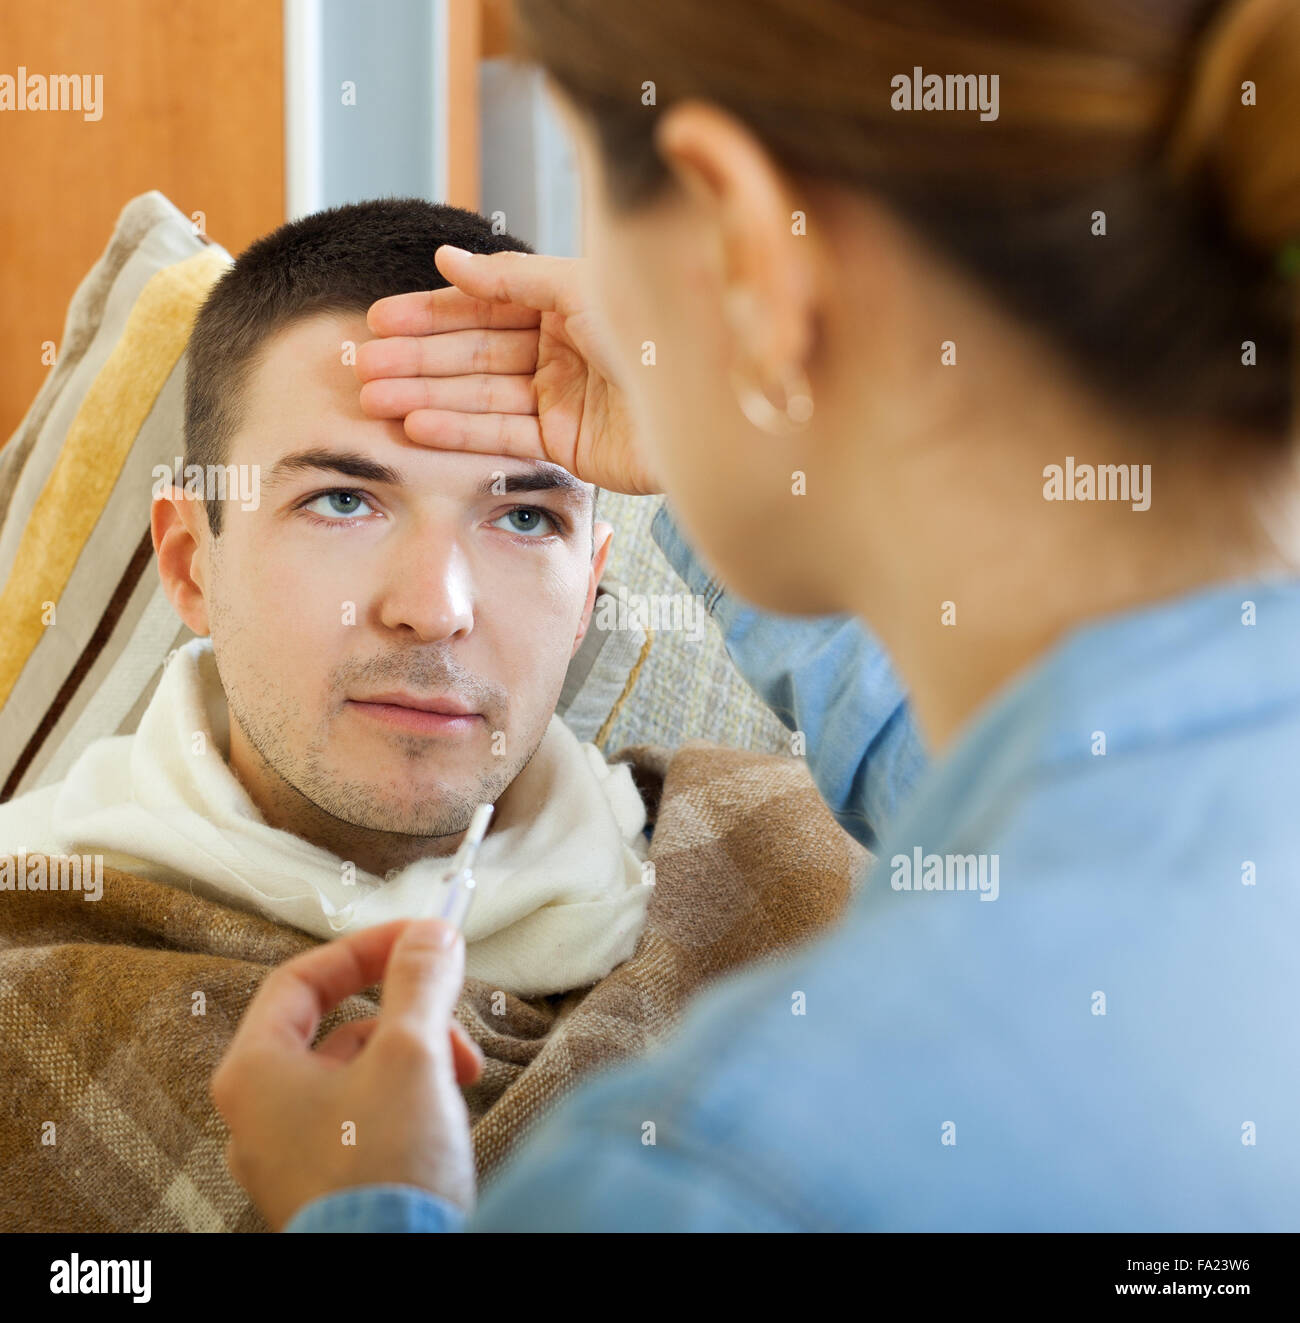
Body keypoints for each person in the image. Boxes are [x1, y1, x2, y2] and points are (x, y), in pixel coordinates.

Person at [212, 0, 1300, 1231]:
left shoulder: (708, 1173)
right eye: (345, 499)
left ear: (745, 248)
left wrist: (364, 1210)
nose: (434, 606)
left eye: (586, 195)